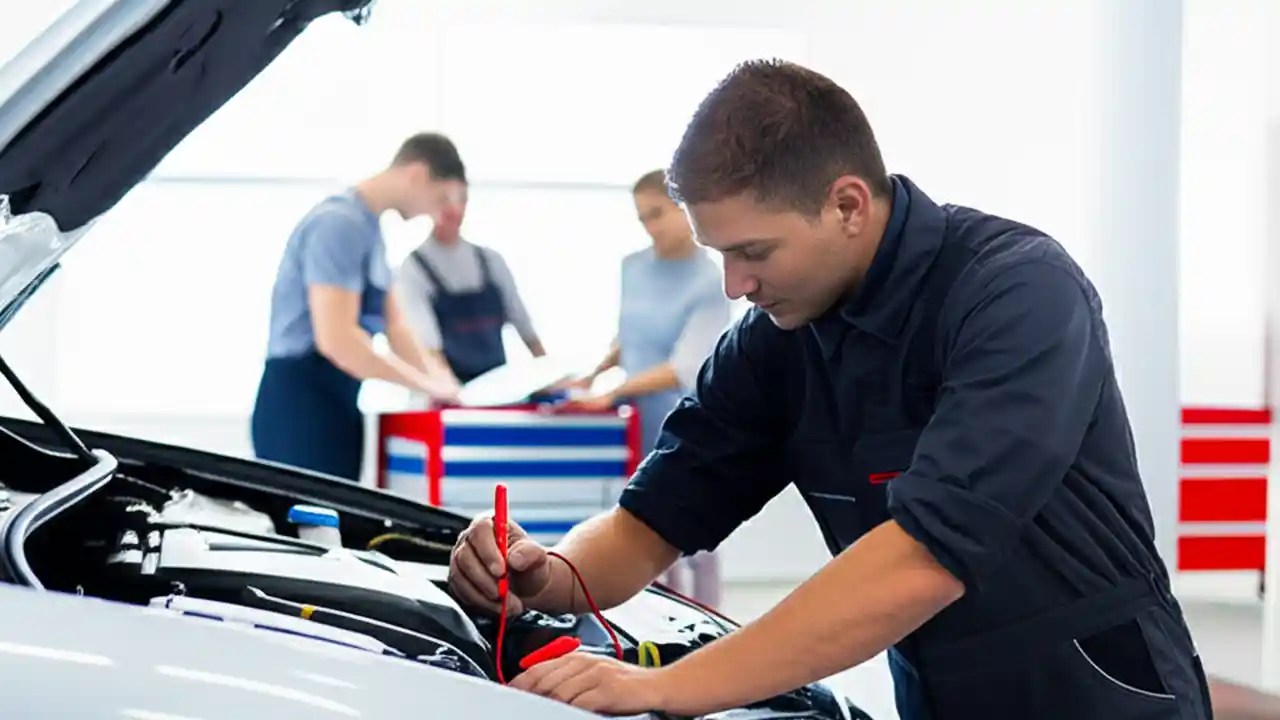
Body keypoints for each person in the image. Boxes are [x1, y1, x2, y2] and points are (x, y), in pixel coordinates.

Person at [446, 59, 1213, 719]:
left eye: (753, 251)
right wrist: (544, 576)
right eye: (720, 254)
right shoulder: (774, 342)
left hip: (1093, 687)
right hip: (934, 685)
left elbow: (926, 556)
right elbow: (648, 522)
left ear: (847, 205)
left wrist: (672, 687)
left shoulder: (1016, 292)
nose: (735, 284)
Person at [251, 133, 464, 482]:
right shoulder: (340, 225)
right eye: (440, 198)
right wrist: (427, 386)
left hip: (337, 404)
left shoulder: (372, 231)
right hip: (301, 407)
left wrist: (443, 382)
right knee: (306, 530)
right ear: (417, 175)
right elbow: (338, 341)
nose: (437, 213)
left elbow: (396, 327)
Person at [564, 168, 731, 607]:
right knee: (645, 528)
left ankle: (706, 628)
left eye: (657, 213)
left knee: (696, 534)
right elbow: (630, 336)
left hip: (687, 415)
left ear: (684, 207)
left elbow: (684, 366)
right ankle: (653, 620)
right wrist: (594, 374)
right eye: (642, 218)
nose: (650, 226)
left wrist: (614, 393)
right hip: (636, 422)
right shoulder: (633, 267)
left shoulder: (712, 278)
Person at [393, 140, 545, 385]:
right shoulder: (414, 269)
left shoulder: (491, 261)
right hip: (448, 391)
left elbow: (524, 326)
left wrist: (546, 378)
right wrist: (452, 393)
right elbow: (428, 344)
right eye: (444, 199)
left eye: (460, 199)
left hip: (497, 389)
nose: (452, 209)